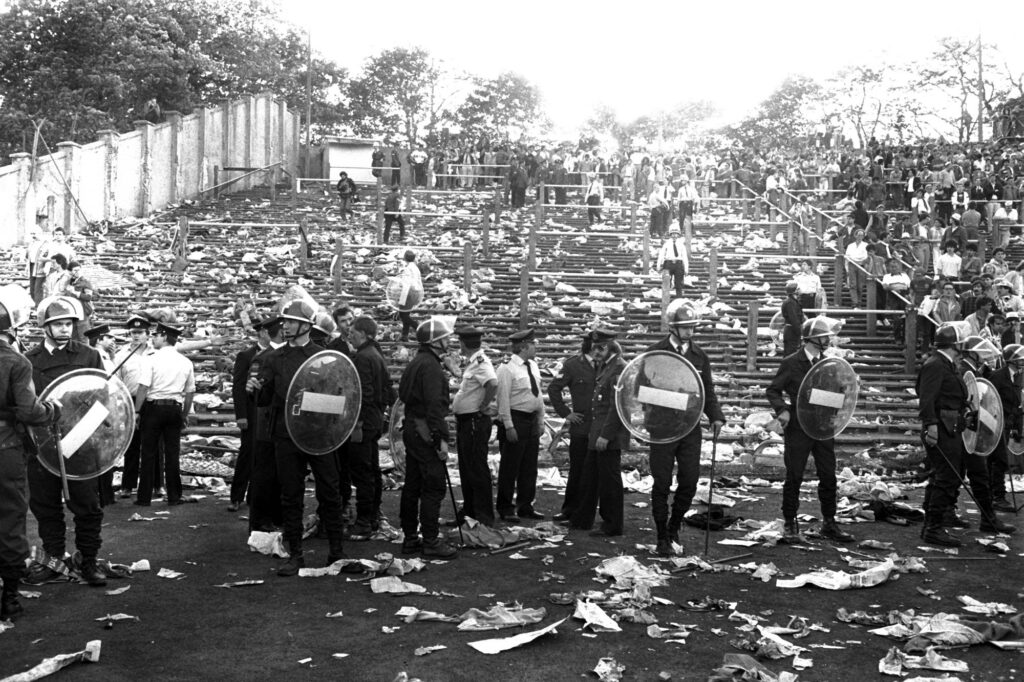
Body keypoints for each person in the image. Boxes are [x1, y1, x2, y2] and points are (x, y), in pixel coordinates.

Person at [248, 300, 350, 575]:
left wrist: (311, 404)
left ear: (306, 325)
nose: (286, 325)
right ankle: (296, 555)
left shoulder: (323, 356)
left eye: (291, 321)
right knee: (290, 495)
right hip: (286, 435)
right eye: (285, 321)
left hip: (319, 436)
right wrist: (255, 389)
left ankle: (337, 552)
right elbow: (266, 400)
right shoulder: (272, 359)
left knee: (330, 491)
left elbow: (336, 401)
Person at [24, 296, 107, 586]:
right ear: (44, 327)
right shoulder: (29, 360)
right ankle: (54, 561)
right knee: (45, 506)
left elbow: (102, 402)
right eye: (58, 324)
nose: (64, 329)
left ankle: (88, 561)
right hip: (43, 446)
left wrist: (78, 431)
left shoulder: (89, 355)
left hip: (80, 445)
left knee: (87, 506)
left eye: (69, 324)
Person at [0, 285, 61, 621]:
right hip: (5, 448)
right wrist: (52, 410)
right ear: (10, 331)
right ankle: (9, 598)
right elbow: (30, 411)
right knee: (9, 519)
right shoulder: (16, 361)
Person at [646, 300, 725, 555]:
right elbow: (641, 391)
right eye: (685, 327)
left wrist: (716, 416)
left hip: (690, 428)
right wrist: (673, 400)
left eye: (692, 327)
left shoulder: (699, 356)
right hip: (662, 428)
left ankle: (673, 526)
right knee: (661, 483)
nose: (690, 332)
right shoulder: (656, 352)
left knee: (689, 482)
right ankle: (661, 536)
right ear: (673, 327)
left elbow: (707, 392)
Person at [767, 316, 854, 543]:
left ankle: (829, 522)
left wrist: (845, 392)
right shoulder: (791, 362)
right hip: (798, 426)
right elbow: (773, 390)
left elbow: (836, 396)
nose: (828, 339)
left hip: (823, 427)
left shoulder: (828, 364)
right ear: (813, 338)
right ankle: (789, 522)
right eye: (824, 335)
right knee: (794, 475)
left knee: (828, 475)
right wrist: (782, 410)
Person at [397, 317, 458, 558]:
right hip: (425, 430)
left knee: (412, 485)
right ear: (435, 342)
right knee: (433, 486)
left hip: (412, 428)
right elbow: (435, 408)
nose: (448, 341)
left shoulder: (416, 363)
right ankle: (431, 541)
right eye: (444, 338)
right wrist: (441, 439)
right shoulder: (431, 367)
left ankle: (410, 537)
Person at [569, 330, 627, 537]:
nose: (596, 353)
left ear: (610, 347)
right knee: (589, 477)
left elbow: (617, 408)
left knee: (609, 481)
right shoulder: (606, 366)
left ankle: (612, 525)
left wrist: (606, 435)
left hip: (607, 436)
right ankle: (581, 520)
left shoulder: (619, 368)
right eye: (595, 348)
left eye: (600, 348)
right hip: (597, 433)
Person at [133, 318, 195, 507]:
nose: (153, 339)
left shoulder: (151, 359)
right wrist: (184, 414)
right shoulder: (185, 362)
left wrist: (137, 411)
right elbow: (190, 392)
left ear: (164, 337)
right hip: (174, 408)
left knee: (149, 452)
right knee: (172, 453)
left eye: (156, 335)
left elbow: (143, 388)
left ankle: (144, 497)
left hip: (154, 408)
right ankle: (174, 495)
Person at [346, 316, 395, 536]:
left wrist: (357, 423)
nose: (350, 337)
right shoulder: (376, 354)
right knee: (372, 469)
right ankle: (373, 515)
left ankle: (364, 520)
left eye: (354, 333)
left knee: (363, 471)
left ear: (365, 334)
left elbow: (363, 393)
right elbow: (386, 389)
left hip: (364, 422)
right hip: (374, 419)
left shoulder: (363, 357)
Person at [547, 331, 599, 525]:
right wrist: (566, 413)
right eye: (598, 346)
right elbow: (553, 389)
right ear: (591, 347)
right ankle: (569, 510)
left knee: (596, 473)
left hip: (600, 428)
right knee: (577, 470)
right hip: (582, 427)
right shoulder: (572, 365)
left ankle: (587, 513)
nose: (602, 350)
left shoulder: (606, 364)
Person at [495, 328, 546, 523]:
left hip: (531, 419)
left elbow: (538, 394)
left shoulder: (532, 365)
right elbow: (503, 400)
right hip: (516, 418)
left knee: (529, 466)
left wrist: (541, 419)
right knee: (510, 466)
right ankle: (505, 507)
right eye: (533, 344)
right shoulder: (506, 369)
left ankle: (525, 505)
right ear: (524, 346)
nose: (536, 347)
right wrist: (508, 426)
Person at [450, 326, 497, 526]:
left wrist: (483, 405)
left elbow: (493, 384)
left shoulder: (480, 362)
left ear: (462, 343)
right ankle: (470, 511)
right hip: (467, 421)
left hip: (475, 421)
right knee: (467, 468)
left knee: (476, 468)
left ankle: (483, 515)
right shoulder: (473, 363)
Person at [229, 316, 274, 513]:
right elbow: (238, 387)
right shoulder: (246, 355)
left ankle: (254, 497)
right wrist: (241, 415)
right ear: (262, 333)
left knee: (263, 456)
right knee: (247, 454)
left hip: (267, 414)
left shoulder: (277, 354)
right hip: (251, 412)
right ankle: (236, 496)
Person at [246, 316, 285, 533]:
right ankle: (261, 521)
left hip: (278, 424)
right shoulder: (264, 358)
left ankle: (275, 517)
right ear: (280, 331)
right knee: (264, 474)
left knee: (279, 474)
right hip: (266, 424)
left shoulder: (281, 355)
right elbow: (254, 392)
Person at [989, 344, 1024, 513]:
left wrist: (1017, 429)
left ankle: (996, 495)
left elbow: (1017, 406)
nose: (1022, 362)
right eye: (1019, 359)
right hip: (995, 423)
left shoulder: (1018, 377)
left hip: (1009, 423)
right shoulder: (997, 376)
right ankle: (998, 496)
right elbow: (989, 399)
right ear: (1011, 360)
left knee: (1001, 460)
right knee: (999, 460)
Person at [657, 222, 689, 298]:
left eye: (676, 234)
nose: (674, 235)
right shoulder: (666, 244)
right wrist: (659, 265)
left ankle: (679, 299)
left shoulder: (681, 245)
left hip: (678, 264)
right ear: (670, 235)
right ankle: (665, 298)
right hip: (668, 263)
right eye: (673, 234)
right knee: (667, 282)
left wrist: (686, 268)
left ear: (678, 235)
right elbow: (661, 255)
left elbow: (684, 257)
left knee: (678, 283)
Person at [396, 251, 421, 342]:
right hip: (415, 292)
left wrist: (401, 297)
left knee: (403, 315)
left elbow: (406, 283)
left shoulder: (408, 269)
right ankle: (404, 335)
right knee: (405, 314)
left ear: (405, 258)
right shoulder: (415, 268)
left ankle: (418, 327)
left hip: (409, 292)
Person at [844, 229, 869, 307]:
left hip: (861, 265)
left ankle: (859, 300)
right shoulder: (850, 245)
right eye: (858, 235)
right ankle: (854, 301)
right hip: (852, 265)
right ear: (855, 235)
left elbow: (865, 256)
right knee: (853, 284)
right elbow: (848, 255)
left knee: (860, 285)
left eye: (862, 235)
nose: (860, 237)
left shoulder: (865, 245)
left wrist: (857, 259)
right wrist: (854, 260)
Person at [781, 282, 804, 356]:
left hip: (793, 331)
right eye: (798, 289)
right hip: (791, 331)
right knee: (790, 354)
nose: (800, 290)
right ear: (794, 291)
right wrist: (799, 332)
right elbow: (794, 319)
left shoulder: (794, 302)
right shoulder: (790, 303)